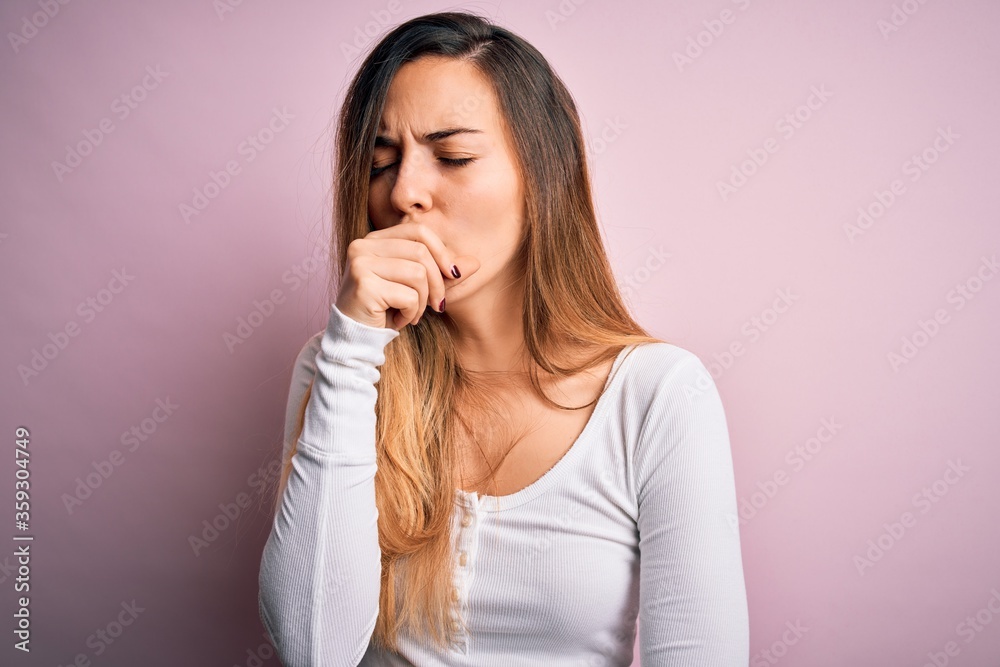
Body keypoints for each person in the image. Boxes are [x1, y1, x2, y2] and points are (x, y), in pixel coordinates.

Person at [258, 10, 749, 667]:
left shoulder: (659, 397)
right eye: (381, 164)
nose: (405, 192)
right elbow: (313, 650)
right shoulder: (335, 368)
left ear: (541, 177)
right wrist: (350, 345)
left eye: (453, 157)